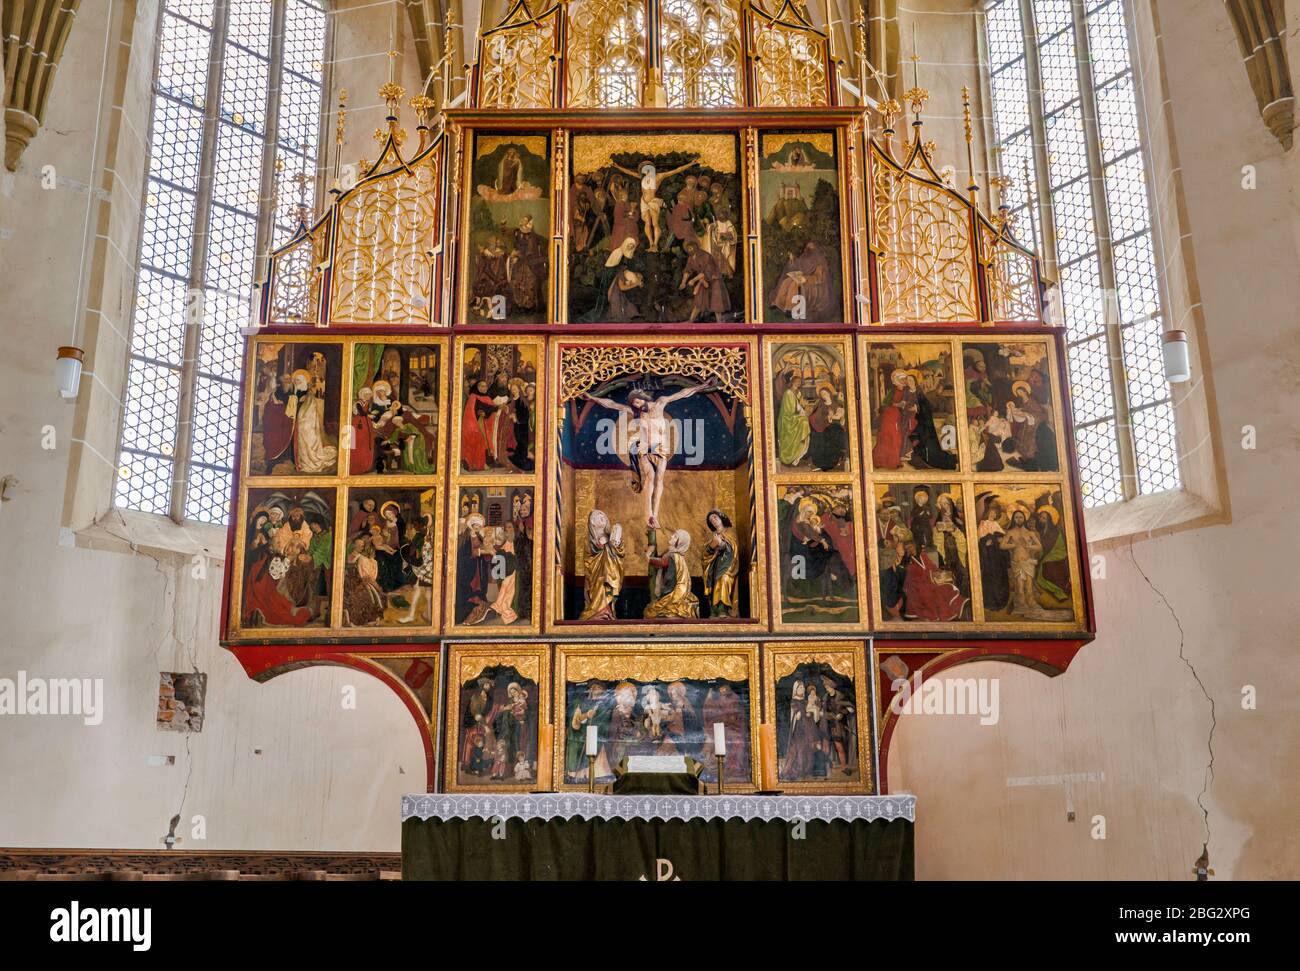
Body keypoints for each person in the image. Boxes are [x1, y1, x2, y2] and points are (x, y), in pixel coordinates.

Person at [582, 378, 716, 527]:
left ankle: (655, 514)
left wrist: (703, 386)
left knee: (659, 479)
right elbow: (612, 404)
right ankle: (649, 514)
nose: (637, 406)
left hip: (660, 448)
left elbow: (682, 393)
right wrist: (592, 398)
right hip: (645, 448)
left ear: (643, 398)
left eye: (638, 402)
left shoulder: (660, 403)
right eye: (634, 404)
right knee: (650, 477)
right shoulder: (636, 412)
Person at [610, 156, 699, 252]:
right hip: (644, 202)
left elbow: (676, 170)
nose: (647, 171)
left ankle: (656, 245)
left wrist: (691, 164)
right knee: (647, 223)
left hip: (653, 202)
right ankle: (651, 244)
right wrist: (618, 167)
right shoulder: (642, 177)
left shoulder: (658, 177)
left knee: (655, 223)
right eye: (645, 169)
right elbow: (629, 172)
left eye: (649, 168)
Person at [768, 240, 833, 320]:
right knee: (787, 281)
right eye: (807, 249)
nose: (808, 251)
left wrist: (806, 279)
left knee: (794, 284)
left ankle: (790, 309)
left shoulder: (819, 262)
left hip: (815, 286)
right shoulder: (805, 258)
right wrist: (792, 260)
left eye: (810, 249)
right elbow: (797, 264)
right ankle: (778, 303)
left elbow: (819, 279)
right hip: (803, 279)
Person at [579, 510, 625, 621]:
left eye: (603, 515)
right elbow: (591, 553)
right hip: (596, 574)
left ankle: (607, 611)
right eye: (598, 516)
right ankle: (598, 612)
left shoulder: (610, 535)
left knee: (607, 586)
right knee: (600, 585)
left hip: (609, 571)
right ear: (592, 522)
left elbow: (620, 552)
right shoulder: (589, 539)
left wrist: (616, 543)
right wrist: (601, 543)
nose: (602, 517)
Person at [644, 528, 699, 619]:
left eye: (675, 536)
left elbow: (662, 562)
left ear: (679, 542)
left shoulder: (672, 554)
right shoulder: (676, 554)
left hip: (674, 590)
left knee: (652, 610)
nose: (671, 536)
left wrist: (648, 556)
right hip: (677, 588)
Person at [871, 369, 915, 469]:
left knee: (897, 437)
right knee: (888, 436)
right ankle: (882, 461)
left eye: (905, 379)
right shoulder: (893, 391)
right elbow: (886, 403)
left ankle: (894, 460)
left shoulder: (906, 391)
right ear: (897, 380)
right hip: (889, 415)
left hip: (898, 416)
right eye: (902, 379)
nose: (904, 381)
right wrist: (898, 404)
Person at [702, 509, 741, 618]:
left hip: (728, 565)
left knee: (724, 580)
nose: (713, 521)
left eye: (715, 517)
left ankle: (723, 609)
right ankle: (714, 610)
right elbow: (705, 554)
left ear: (721, 517)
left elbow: (734, 547)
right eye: (711, 520)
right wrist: (711, 547)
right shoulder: (711, 536)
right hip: (715, 566)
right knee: (714, 586)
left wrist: (722, 544)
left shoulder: (730, 531)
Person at [680, 240, 729, 321]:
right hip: (703, 280)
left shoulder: (704, 256)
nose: (690, 250)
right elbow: (687, 271)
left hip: (714, 279)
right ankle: (691, 320)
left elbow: (706, 272)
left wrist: (693, 280)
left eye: (691, 248)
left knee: (716, 302)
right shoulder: (690, 258)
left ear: (695, 247)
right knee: (698, 301)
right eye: (688, 249)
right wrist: (683, 282)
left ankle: (719, 323)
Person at [807, 383, 847, 471]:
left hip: (835, 427)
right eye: (822, 395)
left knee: (835, 434)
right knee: (821, 438)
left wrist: (838, 419)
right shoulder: (820, 405)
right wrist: (826, 418)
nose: (824, 396)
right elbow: (815, 417)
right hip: (822, 428)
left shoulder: (836, 404)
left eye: (825, 393)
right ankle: (822, 463)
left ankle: (835, 461)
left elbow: (841, 417)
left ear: (829, 393)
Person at [776, 371, 811, 467]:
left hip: (794, 417)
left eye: (800, 382)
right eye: (796, 381)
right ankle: (791, 457)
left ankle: (798, 456)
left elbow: (802, 404)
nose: (798, 383)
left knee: (805, 421)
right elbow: (790, 410)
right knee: (804, 421)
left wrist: (805, 406)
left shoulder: (797, 393)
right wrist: (802, 412)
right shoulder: (788, 393)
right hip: (787, 419)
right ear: (792, 382)